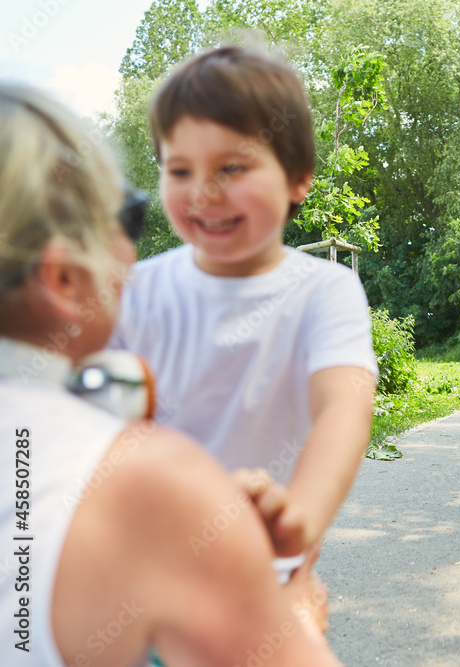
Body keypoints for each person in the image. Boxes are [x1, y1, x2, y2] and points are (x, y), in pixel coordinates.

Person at [0, 84, 342, 666]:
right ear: (60, 277)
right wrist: (297, 619)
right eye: (127, 217)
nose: (132, 255)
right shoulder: (152, 484)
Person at [110, 45, 378, 559]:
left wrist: (298, 516)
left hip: (262, 564)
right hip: (142, 569)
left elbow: (344, 406)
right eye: (180, 170)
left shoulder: (324, 290)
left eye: (232, 168)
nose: (203, 192)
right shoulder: (134, 289)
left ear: (299, 177)